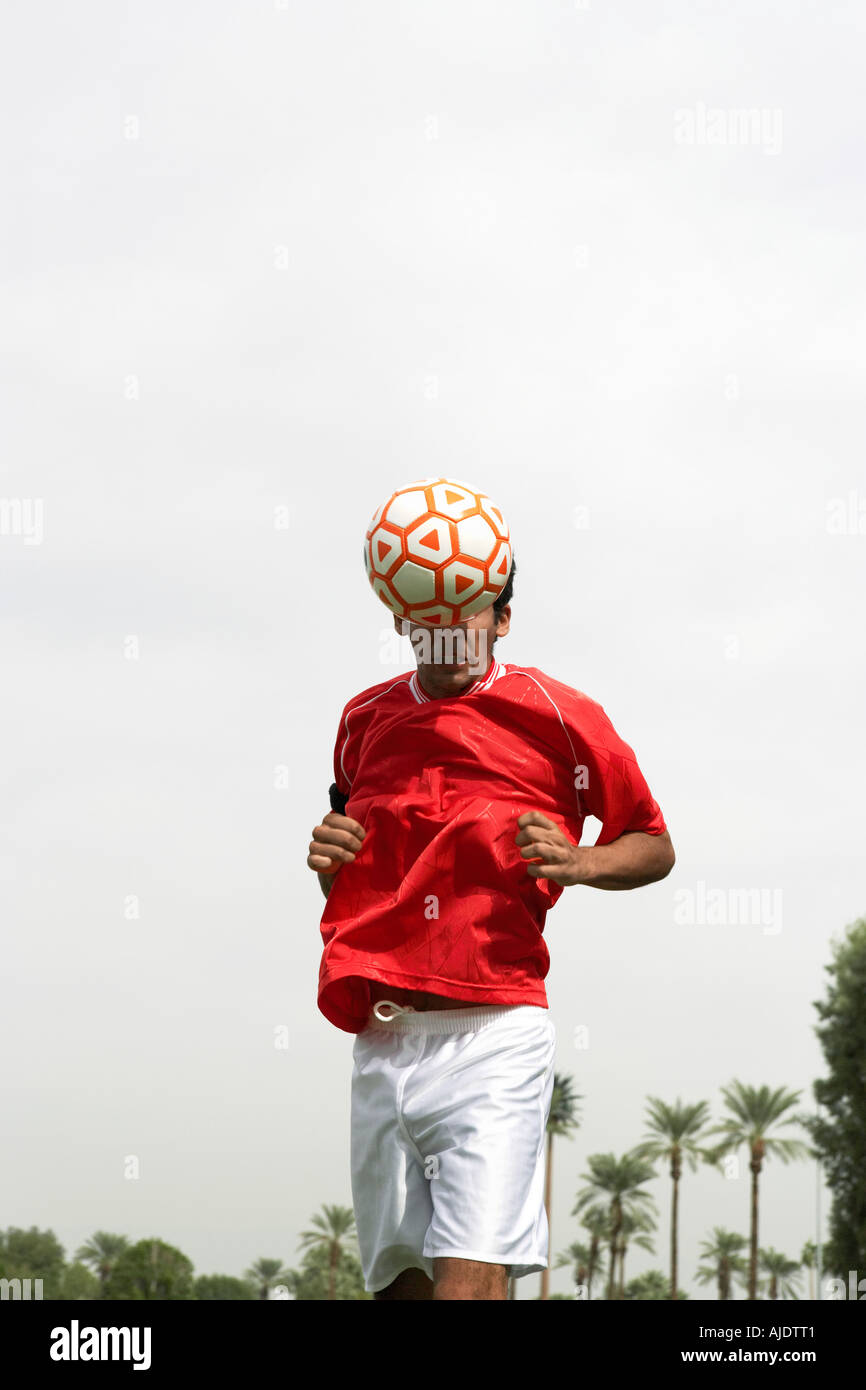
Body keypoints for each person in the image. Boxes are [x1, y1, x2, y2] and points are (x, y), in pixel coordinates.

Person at [307, 558, 675, 1300]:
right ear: (403, 620)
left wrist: (579, 861)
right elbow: (355, 879)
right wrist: (328, 860)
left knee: (468, 1283)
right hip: (383, 1035)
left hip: (494, 1032)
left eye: (466, 610)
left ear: (501, 620)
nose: (444, 628)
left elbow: (653, 843)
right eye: (427, 613)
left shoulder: (562, 716)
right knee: (401, 1289)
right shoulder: (361, 721)